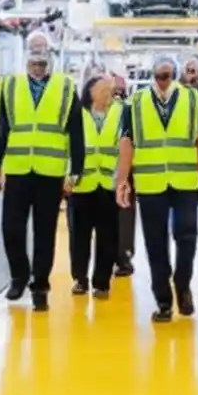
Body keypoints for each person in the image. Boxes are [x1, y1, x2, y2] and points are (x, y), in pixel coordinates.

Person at [0, 32, 86, 312]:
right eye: (33, 59)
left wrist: (76, 169)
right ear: (26, 59)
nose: (37, 65)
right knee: (11, 228)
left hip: (50, 171)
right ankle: (19, 275)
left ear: (50, 57)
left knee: (45, 232)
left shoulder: (66, 87)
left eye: (42, 59)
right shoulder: (10, 86)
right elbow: (2, 128)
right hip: (18, 169)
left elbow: (76, 132)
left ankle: (40, 285)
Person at [115, 55, 198, 322]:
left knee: (187, 236)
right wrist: (123, 181)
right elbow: (127, 142)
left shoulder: (193, 98)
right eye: (158, 76)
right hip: (151, 183)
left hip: (185, 181)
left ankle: (182, 282)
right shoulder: (135, 101)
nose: (162, 81)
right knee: (155, 243)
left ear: (175, 76)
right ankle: (163, 300)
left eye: (167, 76)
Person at [69, 76, 123, 298]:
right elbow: (67, 144)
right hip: (82, 183)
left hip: (109, 184)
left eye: (111, 89)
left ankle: (102, 282)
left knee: (108, 236)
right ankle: (80, 278)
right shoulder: (78, 113)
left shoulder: (121, 111)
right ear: (91, 91)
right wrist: (68, 174)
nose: (109, 93)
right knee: (79, 236)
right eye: (104, 89)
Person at [110, 73, 136, 277]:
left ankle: (124, 257)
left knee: (123, 217)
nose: (117, 93)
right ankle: (115, 256)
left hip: (124, 169)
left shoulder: (128, 111)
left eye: (120, 89)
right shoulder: (93, 111)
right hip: (102, 172)